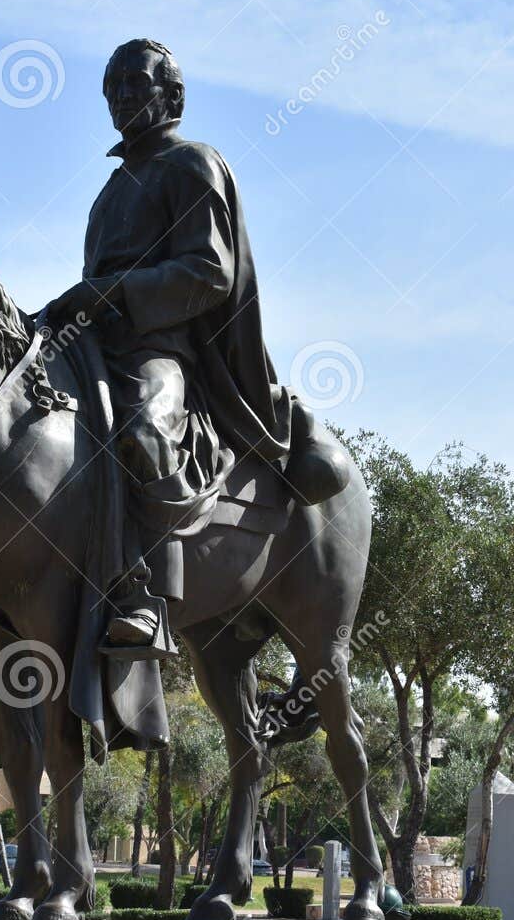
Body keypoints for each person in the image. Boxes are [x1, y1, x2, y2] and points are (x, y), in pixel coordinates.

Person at [46, 38, 346, 655]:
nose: (122, 96)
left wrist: (108, 294)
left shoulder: (191, 164)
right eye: (113, 88)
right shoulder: (113, 187)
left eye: (135, 84)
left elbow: (209, 273)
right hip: (96, 348)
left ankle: (140, 596)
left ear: (172, 96)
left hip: (162, 350)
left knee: (147, 428)